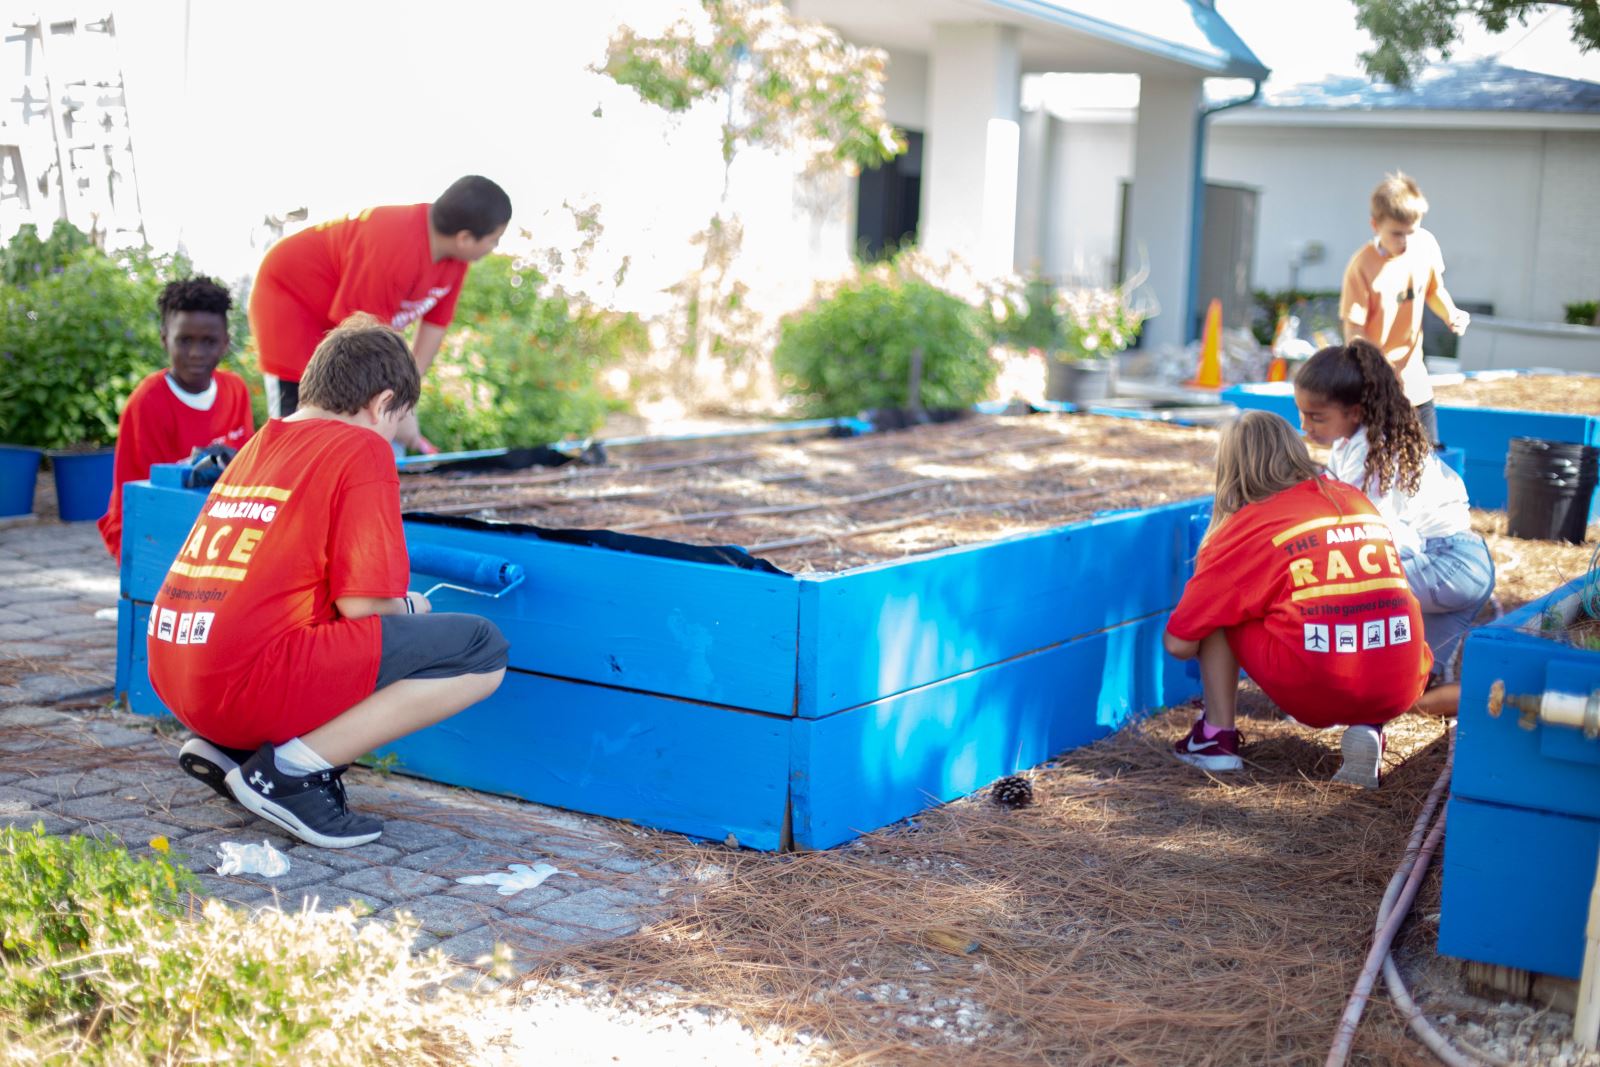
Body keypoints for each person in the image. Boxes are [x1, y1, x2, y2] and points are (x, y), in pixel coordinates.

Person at [148, 315, 509, 848]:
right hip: (241, 684)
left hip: (178, 672)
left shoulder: (259, 443)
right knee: (482, 648)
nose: (391, 435)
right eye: (396, 421)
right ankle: (288, 775)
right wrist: (409, 608)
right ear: (381, 403)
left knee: (310, 628)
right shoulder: (361, 448)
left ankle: (239, 752)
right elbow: (366, 607)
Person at [1164, 410, 1434, 789]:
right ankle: (1369, 726)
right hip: (1400, 683)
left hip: (1321, 689)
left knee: (1220, 610)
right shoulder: (1351, 497)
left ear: (1232, 470)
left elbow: (1178, 644)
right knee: (1361, 608)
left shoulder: (1247, 528)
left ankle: (1215, 738)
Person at [247, 174, 512, 448]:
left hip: (347, 320)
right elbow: (361, 342)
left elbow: (434, 327)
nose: (494, 248)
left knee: (373, 409)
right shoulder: (393, 244)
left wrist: (407, 399)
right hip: (292, 299)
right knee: (307, 412)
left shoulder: (456, 262)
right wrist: (399, 411)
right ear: (465, 238)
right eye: (494, 240)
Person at [1296, 339, 1495, 690]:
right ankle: (1479, 696)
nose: (1305, 426)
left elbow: (1374, 538)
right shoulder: (1352, 445)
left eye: (1316, 417)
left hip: (1447, 562)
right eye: (1302, 414)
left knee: (1344, 582)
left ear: (1355, 412)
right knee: (1411, 687)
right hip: (1459, 566)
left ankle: (1334, 681)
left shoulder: (1374, 454)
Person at [97, 277, 254, 563]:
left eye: (209, 341)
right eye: (185, 340)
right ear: (164, 338)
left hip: (216, 526)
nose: (196, 353)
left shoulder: (235, 390)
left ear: (225, 343)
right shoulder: (147, 401)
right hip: (152, 525)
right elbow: (140, 495)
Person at [1339, 171, 1471, 447]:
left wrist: (1451, 314)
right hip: (1376, 386)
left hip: (1415, 381)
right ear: (1375, 225)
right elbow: (1354, 331)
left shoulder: (1425, 245)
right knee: (1381, 468)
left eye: (1412, 231)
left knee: (1427, 459)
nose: (1406, 241)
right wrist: (1376, 369)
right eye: (1397, 234)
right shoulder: (1362, 266)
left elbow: (1434, 290)